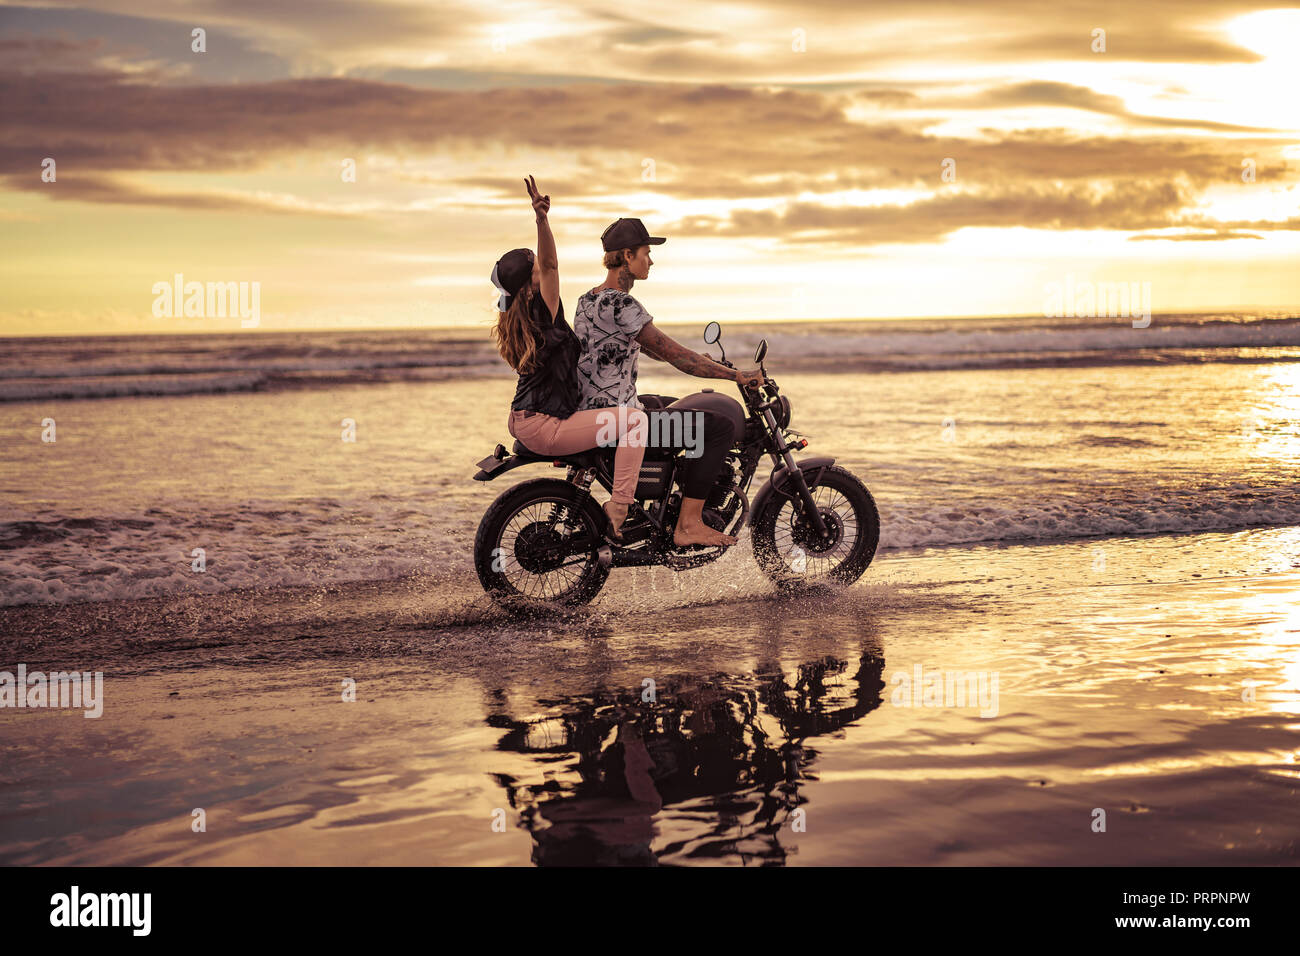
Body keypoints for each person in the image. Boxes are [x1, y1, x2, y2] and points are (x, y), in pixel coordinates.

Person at [573, 218, 766, 548]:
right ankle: (688, 523)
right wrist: (735, 375)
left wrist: (708, 363)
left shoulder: (588, 300)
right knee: (715, 427)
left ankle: (664, 501)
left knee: (668, 404)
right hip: (616, 419)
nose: (651, 260)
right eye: (647, 253)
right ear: (627, 255)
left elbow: (651, 348)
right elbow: (677, 356)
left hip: (594, 411)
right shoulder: (624, 303)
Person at [491, 177, 648, 540]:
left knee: (621, 416)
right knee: (635, 422)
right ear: (530, 287)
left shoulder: (520, 322)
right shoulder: (543, 315)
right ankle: (619, 508)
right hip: (545, 425)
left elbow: (545, 268)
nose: (543, 275)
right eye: (535, 273)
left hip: (525, 418)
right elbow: (551, 265)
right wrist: (541, 218)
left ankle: (588, 499)